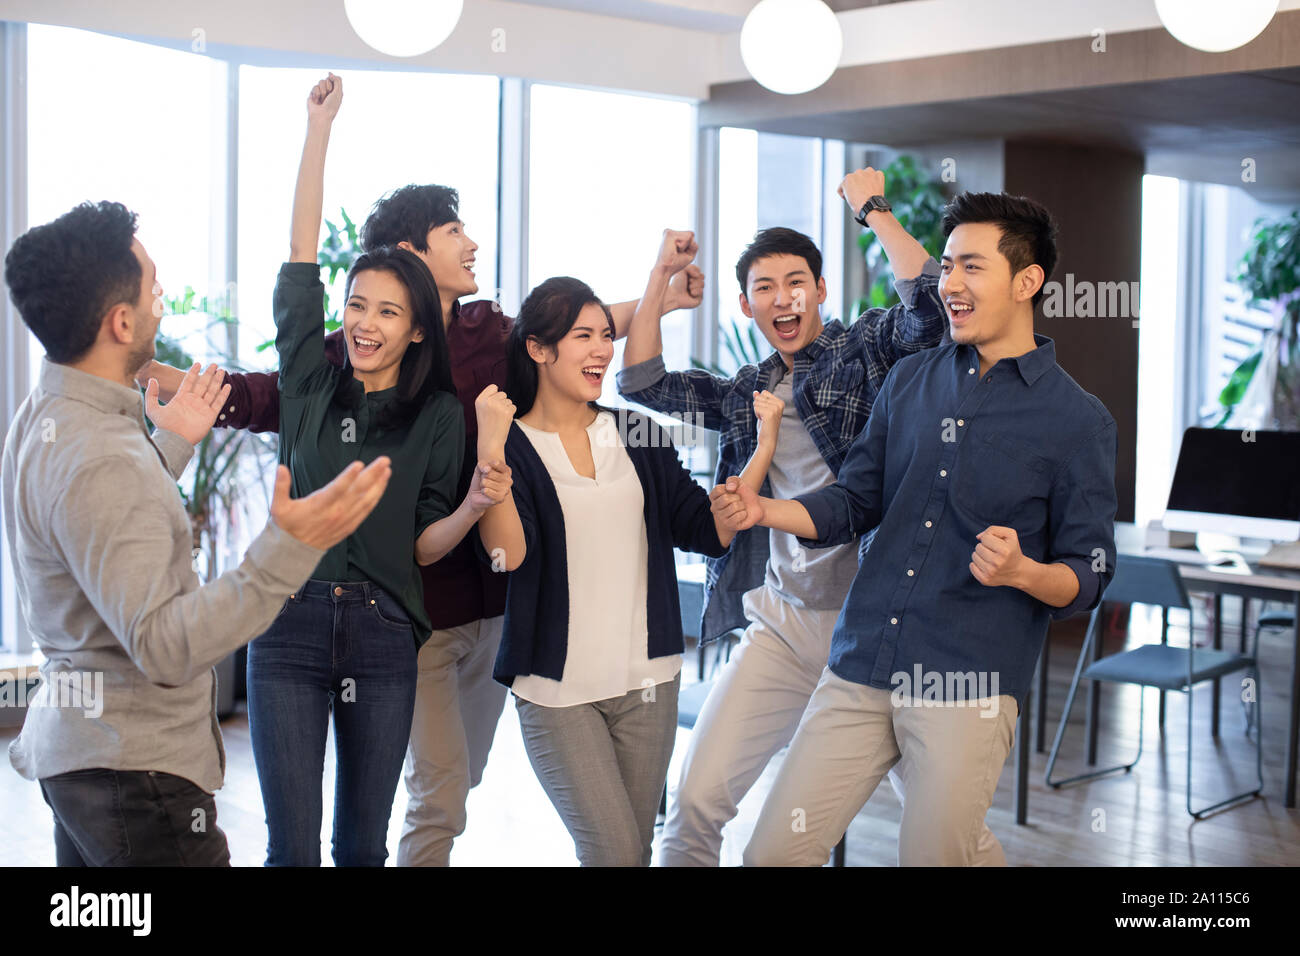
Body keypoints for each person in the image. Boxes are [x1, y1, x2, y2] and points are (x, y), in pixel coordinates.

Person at [139, 164, 703, 875]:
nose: (471, 243)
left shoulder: (486, 334)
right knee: (435, 794)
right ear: (412, 250)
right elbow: (263, 395)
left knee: (451, 789)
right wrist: (143, 371)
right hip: (411, 614)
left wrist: (659, 299)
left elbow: (567, 333)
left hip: (495, 607)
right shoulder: (352, 357)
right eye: (454, 230)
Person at [712, 191, 1119, 866]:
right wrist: (765, 511)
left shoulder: (1078, 421)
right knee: (772, 855)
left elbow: (1091, 573)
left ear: (1027, 282)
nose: (950, 285)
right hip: (862, 660)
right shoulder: (908, 382)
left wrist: (1023, 571)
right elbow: (854, 501)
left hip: (968, 685)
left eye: (971, 268)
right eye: (949, 265)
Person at [1, 199, 391, 866]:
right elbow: (162, 645)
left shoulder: (51, 414)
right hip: (136, 774)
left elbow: (96, 542)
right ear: (120, 322)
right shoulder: (102, 457)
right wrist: (287, 548)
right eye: (152, 287)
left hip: (83, 759)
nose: (161, 299)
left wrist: (169, 448)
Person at [617, 168, 948, 866]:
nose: (782, 297)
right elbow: (642, 381)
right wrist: (660, 277)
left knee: (943, 831)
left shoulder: (865, 350)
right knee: (696, 803)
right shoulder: (747, 392)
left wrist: (874, 210)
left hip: (877, 630)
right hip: (783, 623)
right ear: (746, 305)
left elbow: (931, 307)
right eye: (764, 287)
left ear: (820, 291)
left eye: (795, 281)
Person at [245, 74, 509, 867]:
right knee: (291, 849)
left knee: (360, 845)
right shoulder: (308, 378)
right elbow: (299, 255)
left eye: (387, 312)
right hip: (287, 624)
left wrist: (472, 505)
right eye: (356, 305)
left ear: (417, 331)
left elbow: (429, 543)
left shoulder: (435, 418)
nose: (363, 322)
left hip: (387, 632)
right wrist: (317, 129)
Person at [474, 236, 733, 866]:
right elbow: (508, 555)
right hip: (557, 692)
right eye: (583, 336)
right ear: (538, 349)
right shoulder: (511, 443)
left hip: (650, 683)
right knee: (615, 853)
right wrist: (489, 448)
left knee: (631, 853)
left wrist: (734, 502)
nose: (601, 349)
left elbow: (701, 529)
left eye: (604, 335)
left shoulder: (635, 429)